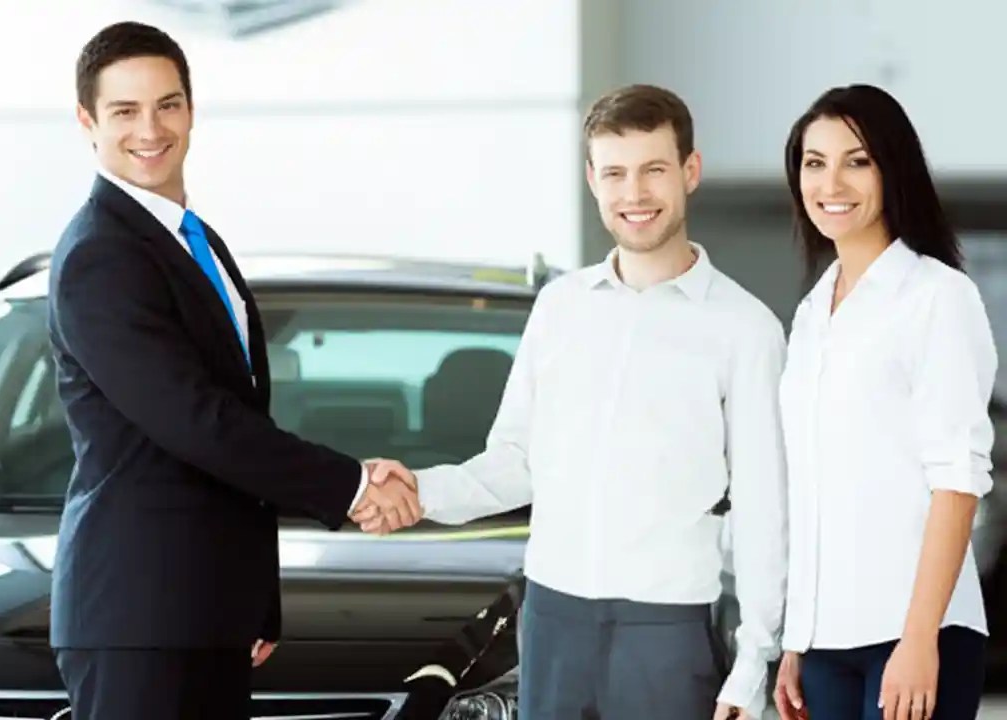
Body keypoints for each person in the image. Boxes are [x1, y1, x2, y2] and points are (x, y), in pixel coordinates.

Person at [361, 84, 788, 720]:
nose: (634, 194)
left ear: (689, 172)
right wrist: (420, 490)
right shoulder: (559, 308)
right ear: (593, 179)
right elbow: (514, 463)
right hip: (553, 619)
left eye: (653, 170)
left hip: (667, 631)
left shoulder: (745, 328)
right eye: (615, 173)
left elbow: (763, 510)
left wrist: (753, 663)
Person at [46, 21, 420, 720]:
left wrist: (255, 598)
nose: (150, 129)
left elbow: (237, 427)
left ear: (191, 109)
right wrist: (351, 485)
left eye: (168, 104)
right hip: (139, 619)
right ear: (86, 122)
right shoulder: (101, 256)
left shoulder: (191, 239)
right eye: (124, 111)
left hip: (202, 612)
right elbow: (197, 422)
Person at [770, 84, 996, 720]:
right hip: (824, 644)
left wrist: (920, 640)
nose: (831, 181)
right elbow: (812, 487)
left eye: (856, 160)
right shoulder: (814, 311)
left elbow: (959, 480)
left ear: (892, 169)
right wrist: (795, 640)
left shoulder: (936, 297)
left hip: (917, 635)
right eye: (814, 162)